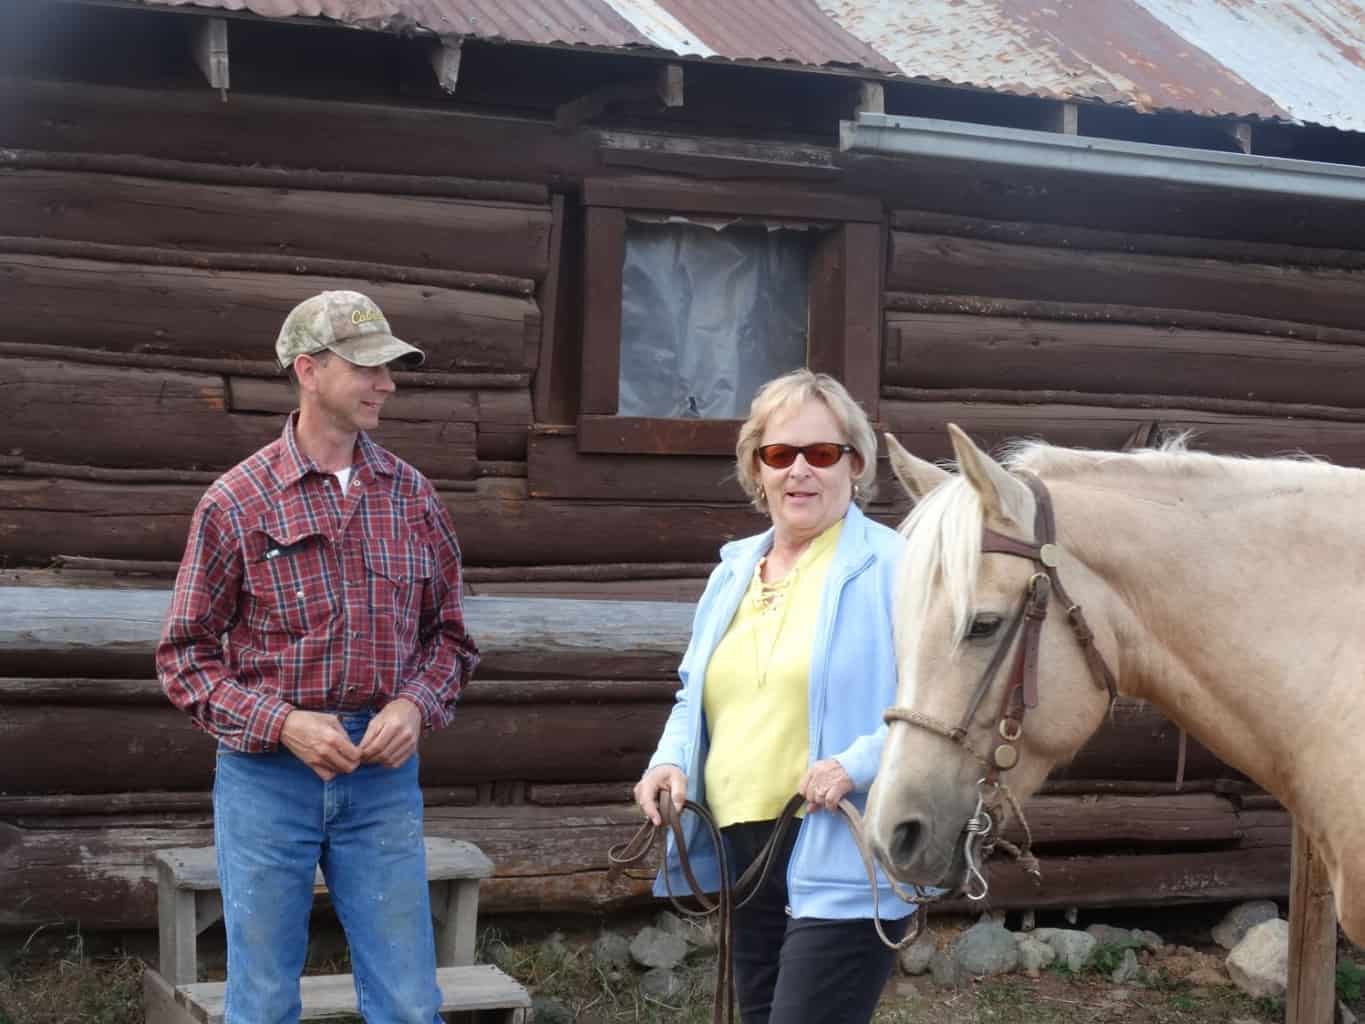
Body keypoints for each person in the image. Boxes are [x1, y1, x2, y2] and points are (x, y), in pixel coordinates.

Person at [156, 290, 479, 1024]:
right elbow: (185, 657)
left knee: (407, 1000)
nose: (385, 385)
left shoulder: (413, 498)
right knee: (263, 1000)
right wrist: (283, 723)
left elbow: (451, 638)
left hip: (382, 779)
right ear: (307, 370)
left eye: (390, 370)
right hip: (268, 780)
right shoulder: (235, 502)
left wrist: (412, 704)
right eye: (367, 368)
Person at [633, 369, 916, 1024]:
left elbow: (937, 707)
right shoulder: (734, 568)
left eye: (821, 454)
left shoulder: (895, 565)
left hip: (842, 838)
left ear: (855, 464)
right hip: (743, 842)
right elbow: (692, 694)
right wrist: (668, 762)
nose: (799, 472)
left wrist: (857, 763)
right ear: (755, 467)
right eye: (779, 454)